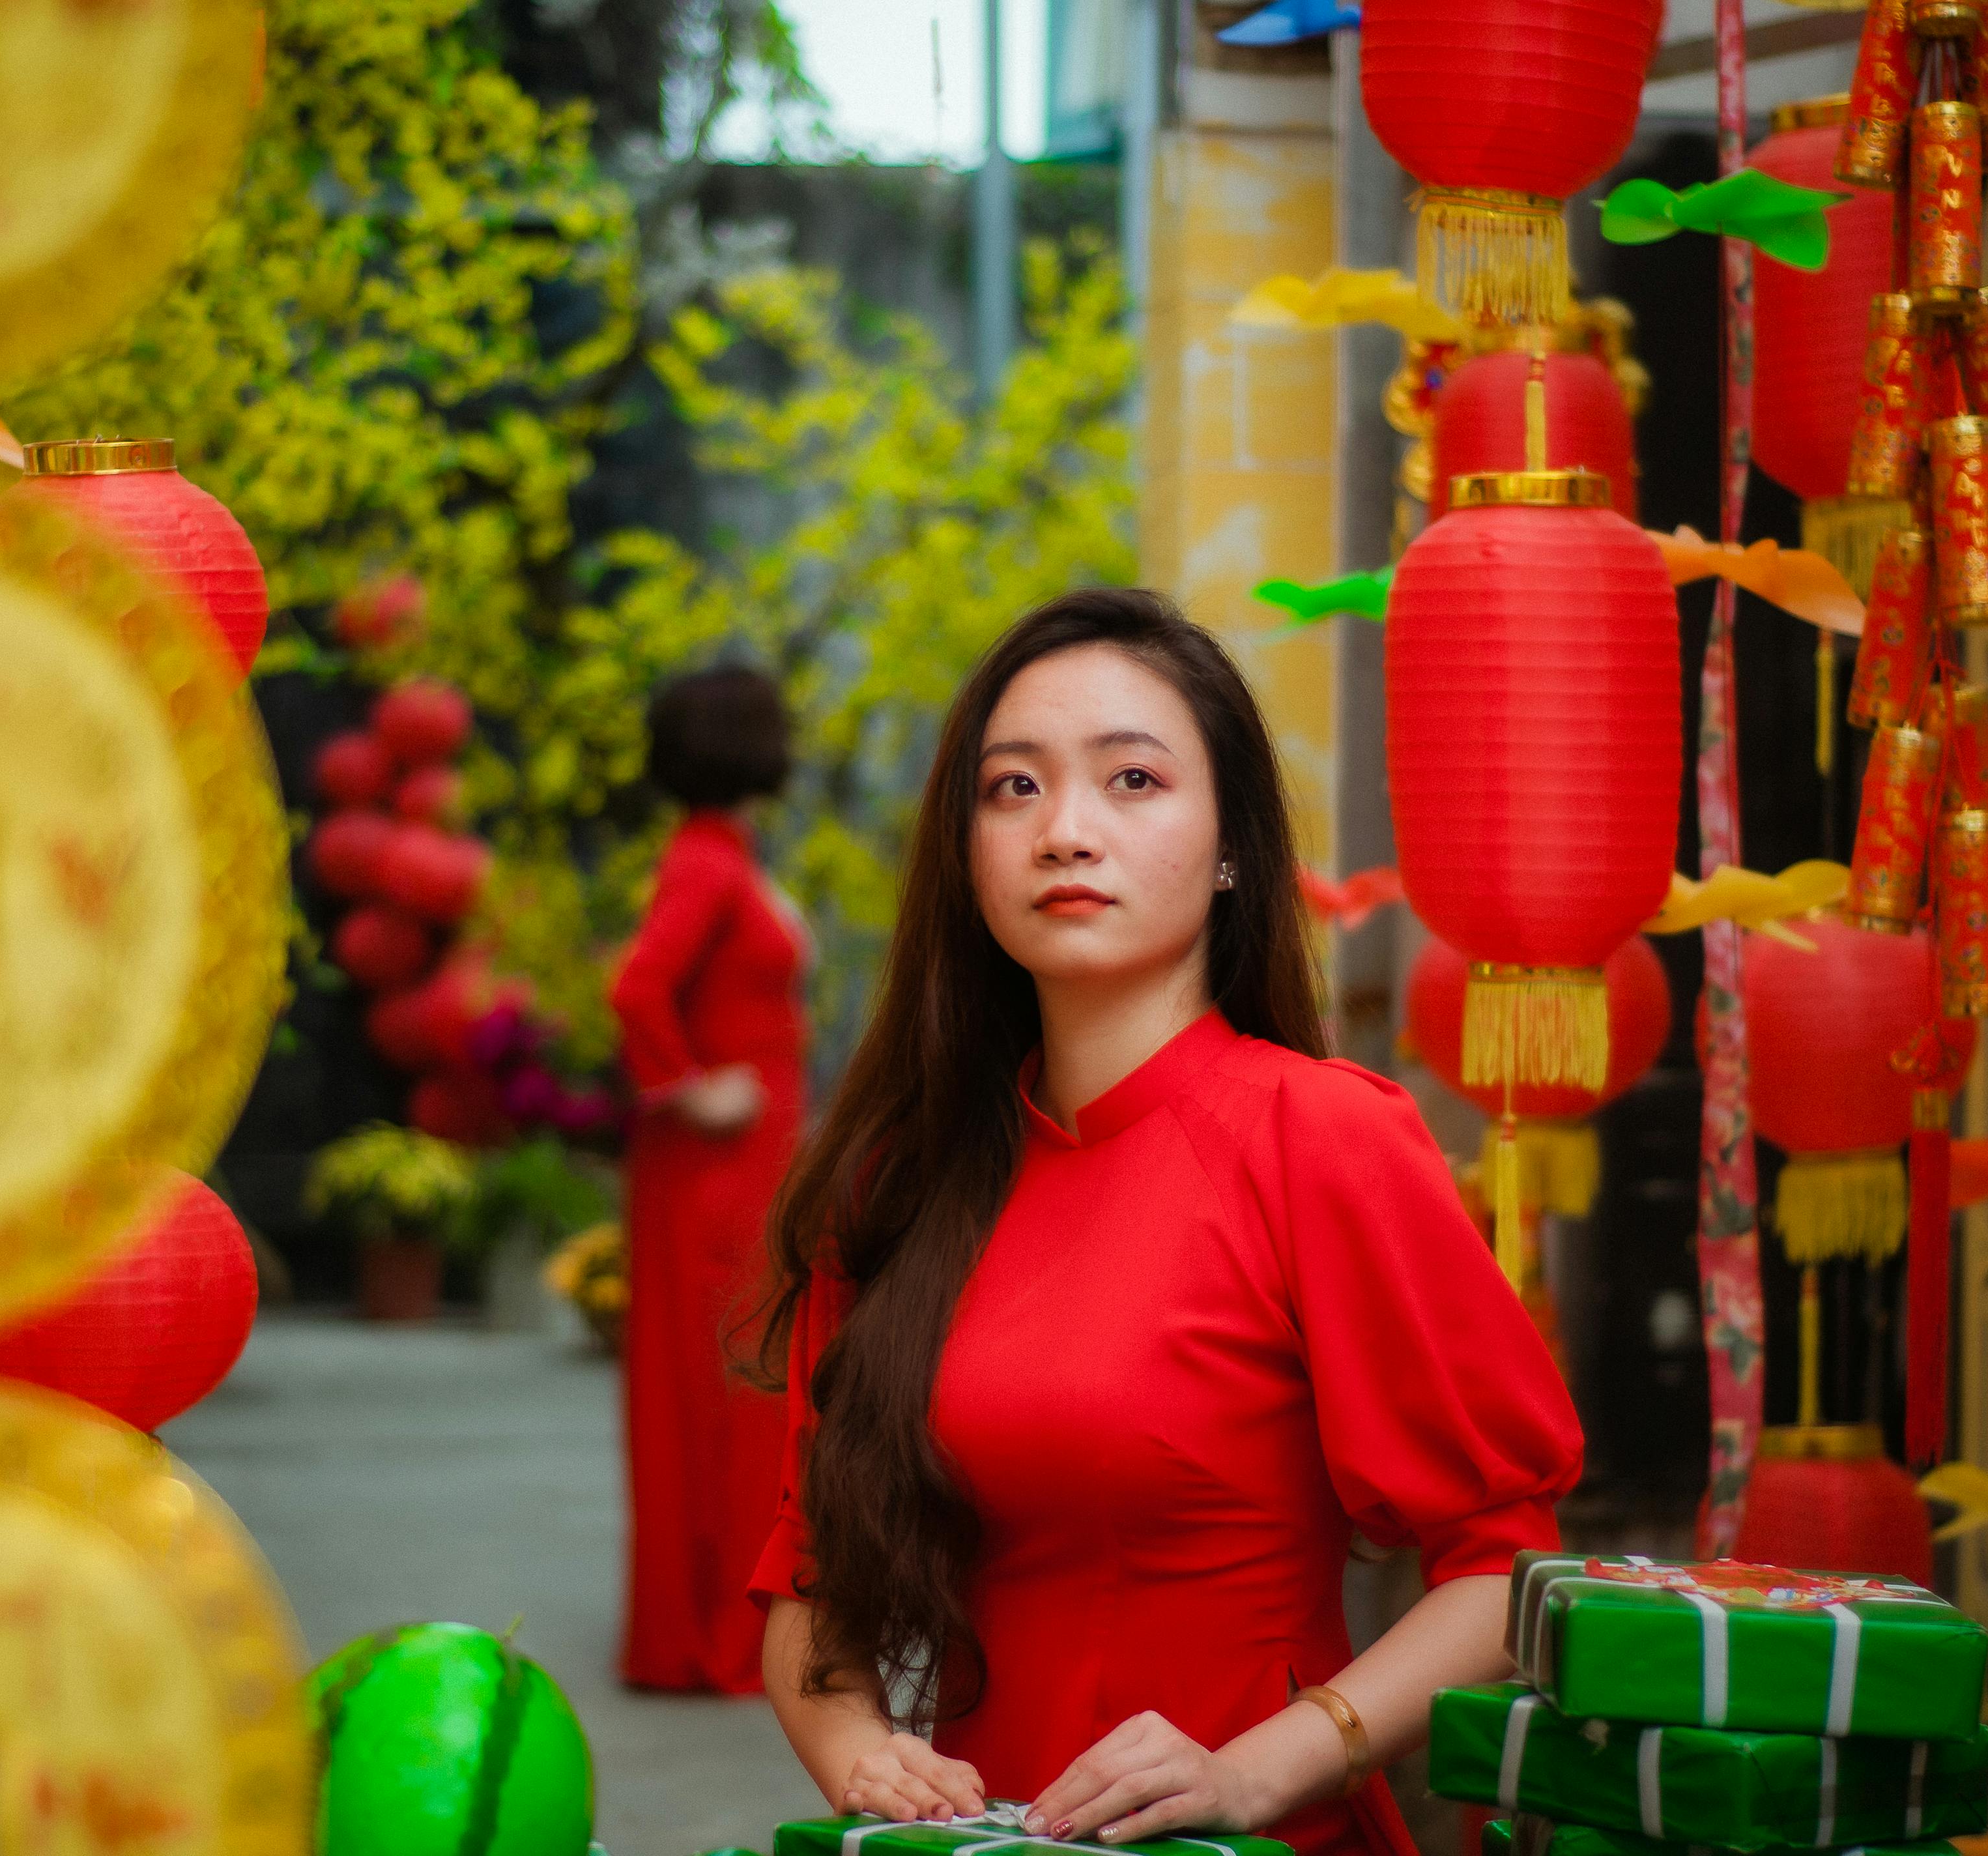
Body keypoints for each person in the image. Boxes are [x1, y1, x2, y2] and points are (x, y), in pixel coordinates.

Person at [749, 590, 1581, 1856]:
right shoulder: (896, 1185)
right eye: (1013, 788)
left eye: (1131, 779)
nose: (1064, 831)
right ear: (965, 851)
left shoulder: (1321, 1139)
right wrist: (862, 1754)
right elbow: (811, 1580)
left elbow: (1503, 1570)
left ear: (1231, 842)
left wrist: (1255, 1769)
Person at [612, 664, 813, 1694]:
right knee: (732, 1393)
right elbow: (638, 985)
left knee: (740, 1388)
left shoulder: (721, 854)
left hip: (748, 1164)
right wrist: (688, 1091)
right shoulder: (705, 862)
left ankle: (725, 1626)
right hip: (719, 1173)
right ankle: (717, 1635)